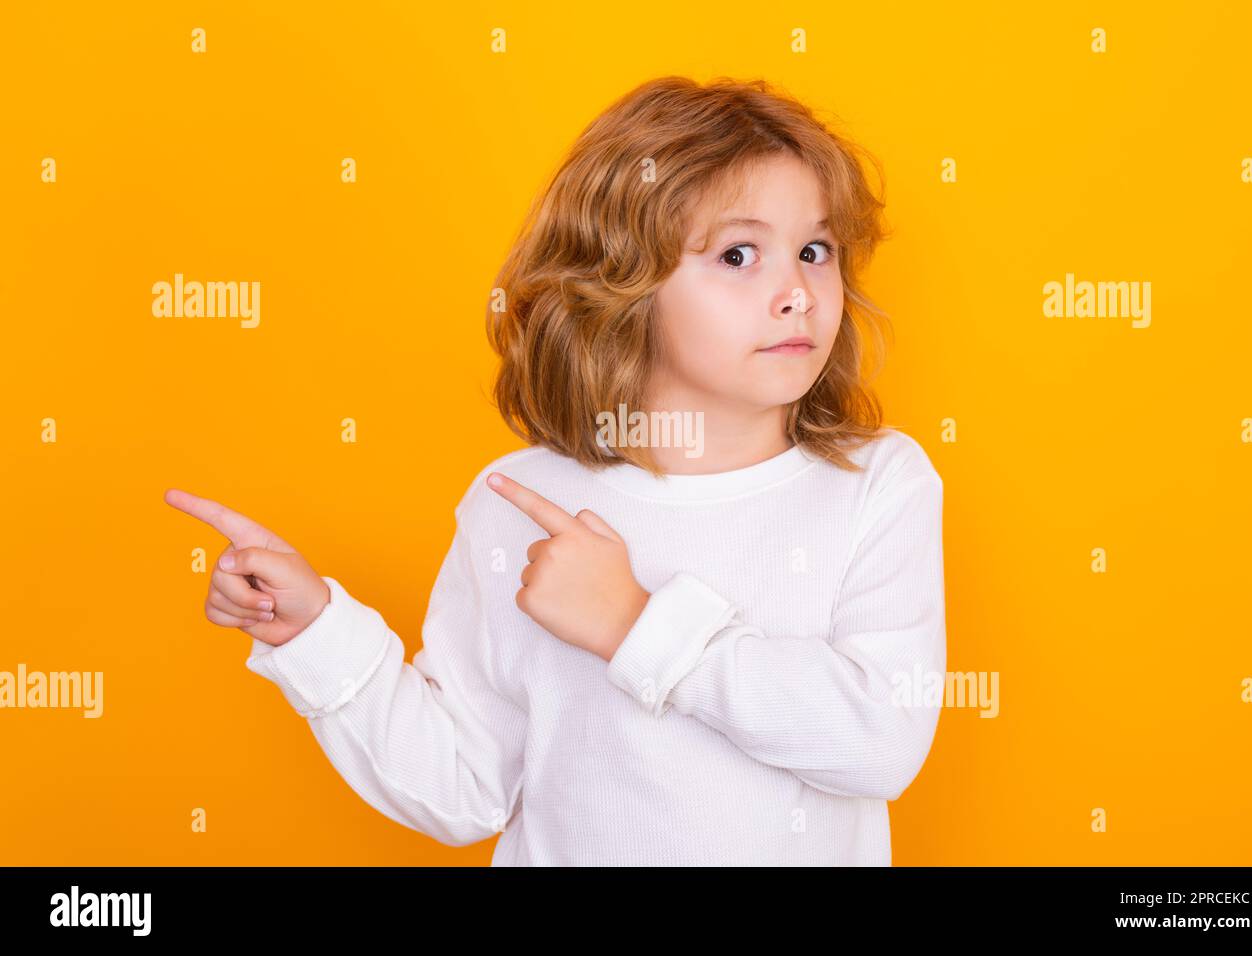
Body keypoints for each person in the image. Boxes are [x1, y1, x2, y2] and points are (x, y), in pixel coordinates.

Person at [164, 75, 946, 865]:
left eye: (815, 251)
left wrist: (635, 625)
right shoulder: (521, 502)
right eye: (738, 254)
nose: (797, 295)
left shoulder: (876, 486)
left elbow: (881, 741)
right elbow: (466, 784)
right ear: (622, 285)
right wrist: (314, 632)